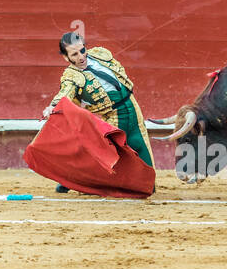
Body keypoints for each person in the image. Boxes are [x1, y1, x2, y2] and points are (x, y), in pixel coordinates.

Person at [42, 32, 155, 188]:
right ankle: (70, 181)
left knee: (140, 144)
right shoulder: (71, 76)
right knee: (100, 155)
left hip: (133, 106)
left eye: (82, 50)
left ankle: (148, 183)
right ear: (65, 57)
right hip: (114, 114)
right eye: (74, 54)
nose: (81, 57)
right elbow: (65, 93)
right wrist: (53, 106)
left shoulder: (100, 54)